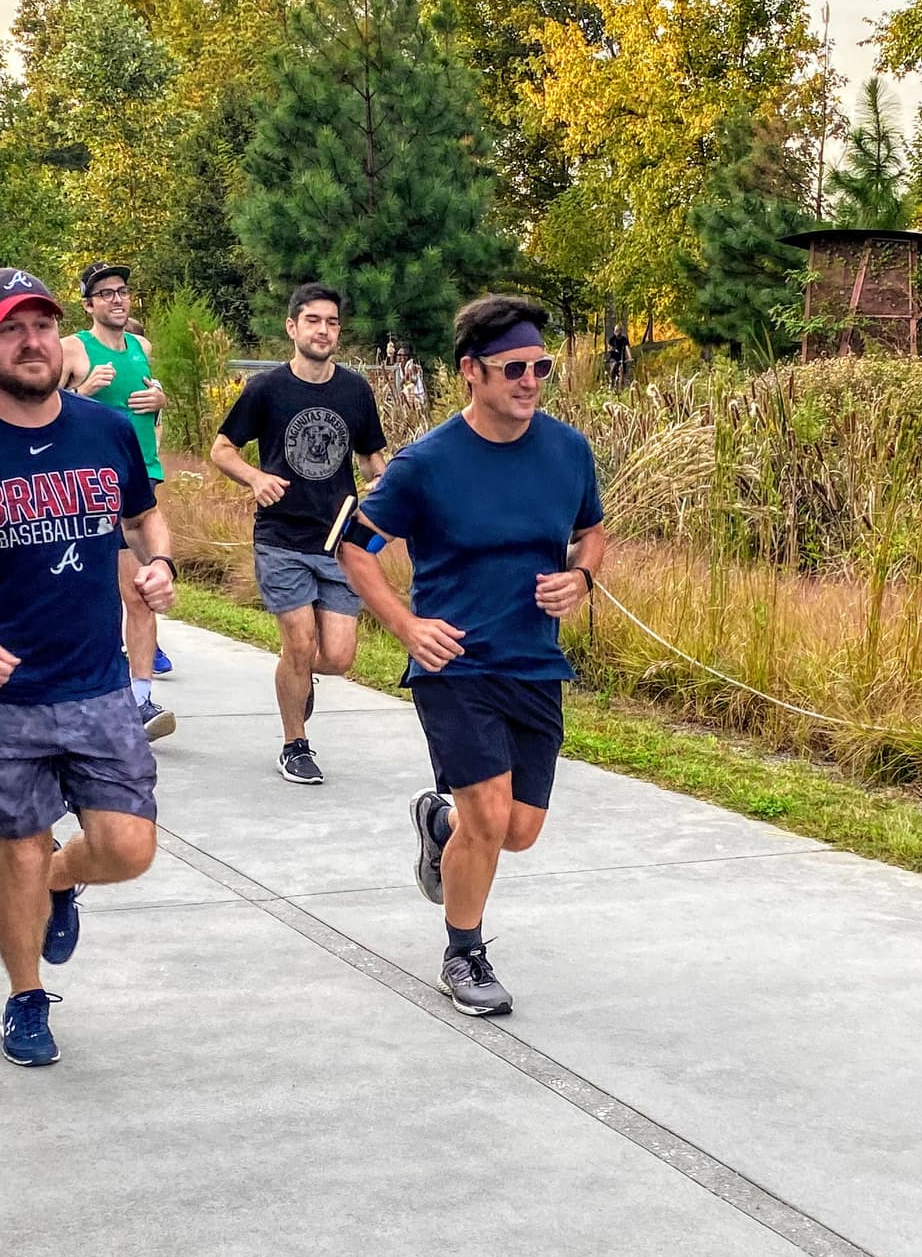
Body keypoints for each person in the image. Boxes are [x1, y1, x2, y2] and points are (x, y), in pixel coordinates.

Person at [0, 268, 176, 1068]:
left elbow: (145, 516)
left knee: (128, 848)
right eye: (11, 328)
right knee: (15, 848)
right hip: (1, 698)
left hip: (98, 686)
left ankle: (61, 878)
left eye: (43, 325)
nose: (33, 341)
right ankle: (25, 995)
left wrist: (161, 565)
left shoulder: (105, 430)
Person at [334, 294, 606, 1019]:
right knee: (488, 811)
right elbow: (354, 551)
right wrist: (407, 625)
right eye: (514, 367)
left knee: (516, 830)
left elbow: (594, 534)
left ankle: (441, 829)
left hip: (535, 665)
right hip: (454, 665)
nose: (530, 380)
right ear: (471, 373)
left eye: (540, 366)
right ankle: (465, 950)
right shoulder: (427, 464)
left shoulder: (568, 451)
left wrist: (580, 577)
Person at [211, 283, 388, 785]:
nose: (323, 330)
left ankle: (299, 678)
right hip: (281, 538)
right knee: (298, 642)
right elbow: (222, 449)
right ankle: (295, 744)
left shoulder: (355, 390)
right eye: (313, 320)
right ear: (292, 328)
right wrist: (255, 477)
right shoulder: (266, 389)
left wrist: (384, 482)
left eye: (331, 322)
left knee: (337, 656)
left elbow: (374, 457)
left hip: (338, 541)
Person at [60, 261, 176, 741]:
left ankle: (141, 698)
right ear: (88, 304)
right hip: (86, 489)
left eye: (122, 291)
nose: (117, 300)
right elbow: (47, 408)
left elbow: (150, 407)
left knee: (141, 591)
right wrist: (83, 392)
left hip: (139, 482)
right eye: (105, 293)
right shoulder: (71, 348)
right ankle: (85, 690)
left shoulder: (141, 348)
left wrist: (160, 402)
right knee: (89, 596)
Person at [605, 323, 633, 388]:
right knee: (613, 365)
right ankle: (611, 382)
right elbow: (609, 348)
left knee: (622, 370)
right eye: (615, 330)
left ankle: (621, 385)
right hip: (613, 358)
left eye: (618, 330)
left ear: (621, 331)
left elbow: (627, 348)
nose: (616, 332)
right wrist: (612, 349)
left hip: (621, 358)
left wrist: (630, 357)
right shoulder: (612, 339)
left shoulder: (624, 339)